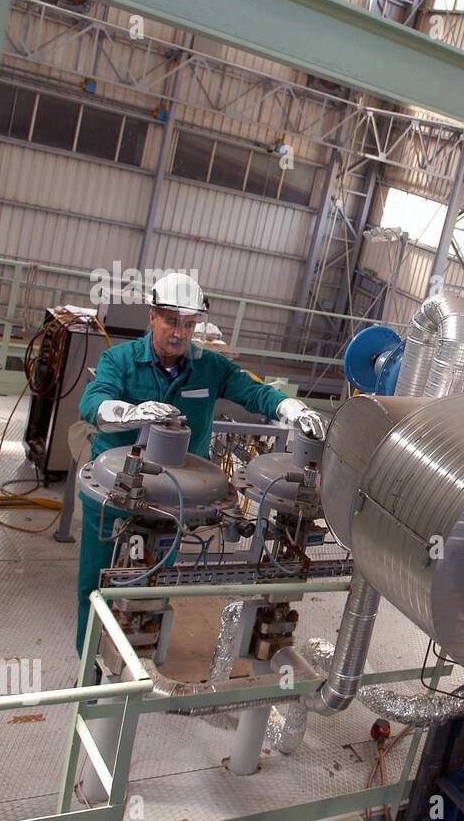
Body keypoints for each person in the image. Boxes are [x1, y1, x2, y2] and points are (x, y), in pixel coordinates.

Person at [73, 272, 324, 656]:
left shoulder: (211, 368)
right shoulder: (119, 361)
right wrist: (130, 412)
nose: (180, 333)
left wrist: (290, 407)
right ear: (152, 316)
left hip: (172, 502)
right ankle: (88, 664)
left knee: (154, 581)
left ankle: (137, 661)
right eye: (172, 321)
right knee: (95, 582)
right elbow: (93, 402)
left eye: (189, 324)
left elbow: (253, 390)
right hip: (115, 492)